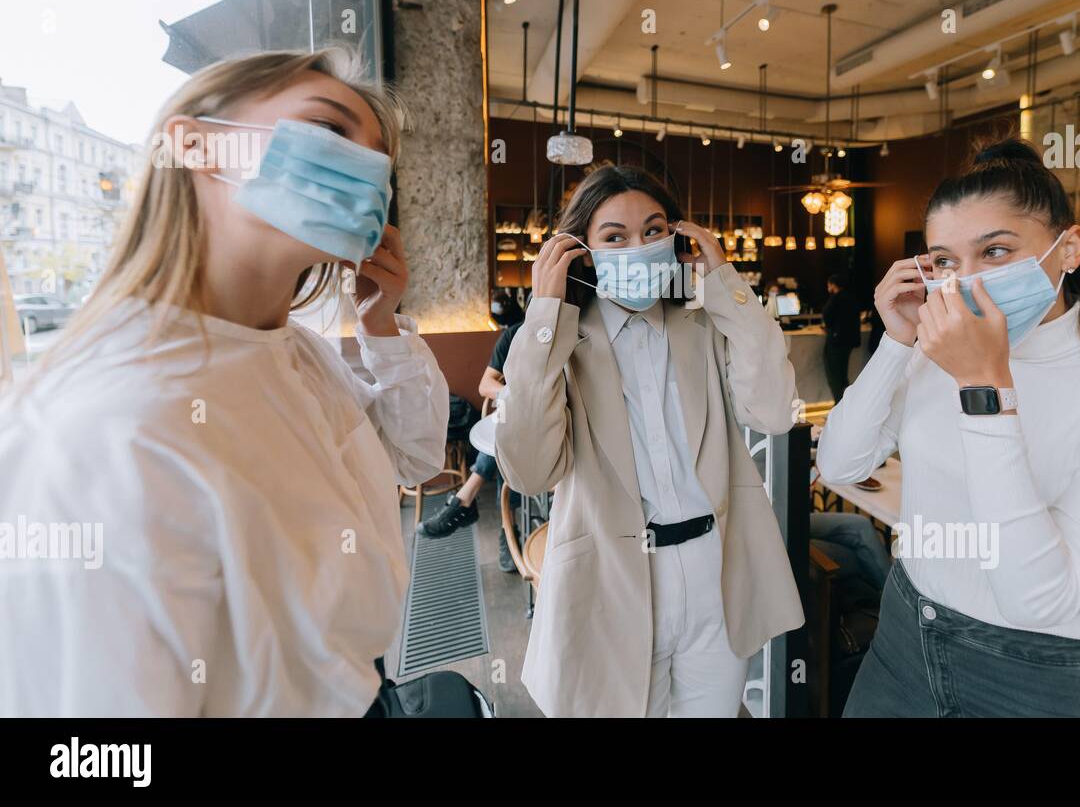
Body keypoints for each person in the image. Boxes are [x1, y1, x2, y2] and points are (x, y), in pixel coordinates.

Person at [0, 48, 450, 716]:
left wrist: (378, 320)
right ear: (196, 147)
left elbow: (412, 456)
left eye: (380, 156)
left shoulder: (298, 356)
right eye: (330, 131)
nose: (370, 170)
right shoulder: (102, 427)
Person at [817, 137, 1080, 718]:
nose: (967, 281)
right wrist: (895, 342)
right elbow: (840, 464)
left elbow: (1038, 598)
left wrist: (985, 388)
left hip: (1028, 677)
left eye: (995, 251)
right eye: (945, 261)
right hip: (903, 632)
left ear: (1069, 250)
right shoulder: (931, 356)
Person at [494, 165, 805, 718]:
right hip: (612, 582)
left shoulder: (704, 326)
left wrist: (727, 285)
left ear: (677, 237)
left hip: (716, 573)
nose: (638, 248)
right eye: (615, 237)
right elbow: (530, 471)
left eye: (654, 230)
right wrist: (543, 315)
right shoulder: (560, 341)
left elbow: (775, 414)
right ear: (583, 251)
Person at [419, 318, 524, 574]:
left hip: (554, 425)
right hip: (518, 421)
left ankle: (466, 501)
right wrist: (513, 395)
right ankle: (505, 531)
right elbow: (485, 384)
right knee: (504, 441)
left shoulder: (564, 334)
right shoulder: (513, 335)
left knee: (504, 440)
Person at [821, 272, 861, 403]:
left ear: (833, 285)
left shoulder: (836, 298)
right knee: (843, 375)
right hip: (849, 342)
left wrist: (829, 328)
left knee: (834, 376)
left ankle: (839, 406)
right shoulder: (852, 297)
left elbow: (826, 314)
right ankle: (846, 405)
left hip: (836, 341)